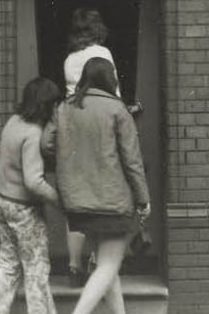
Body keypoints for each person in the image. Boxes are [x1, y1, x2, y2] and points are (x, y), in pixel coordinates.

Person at [50, 58, 151, 314]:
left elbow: (47, 144)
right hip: (112, 201)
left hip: (78, 201)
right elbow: (132, 160)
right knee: (108, 265)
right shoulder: (117, 109)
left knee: (108, 268)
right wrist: (143, 198)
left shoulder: (65, 107)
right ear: (110, 78)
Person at [0, 78, 62, 314]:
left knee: (8, 265)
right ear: (46, 105)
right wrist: (61, 200)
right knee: (36, 270)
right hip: (24, 210)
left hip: (2, 202)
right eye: (54, 104)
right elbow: (34, 182)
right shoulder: (32, 133)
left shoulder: (13, 122)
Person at [60, 8, 121, 286]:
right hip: (100, 125)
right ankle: (98, 260)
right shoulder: (103, 54)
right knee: (99, 198)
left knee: (77, 201)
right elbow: (113, 90)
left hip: (74, 125)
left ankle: (73, 266)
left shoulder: (69, 59)